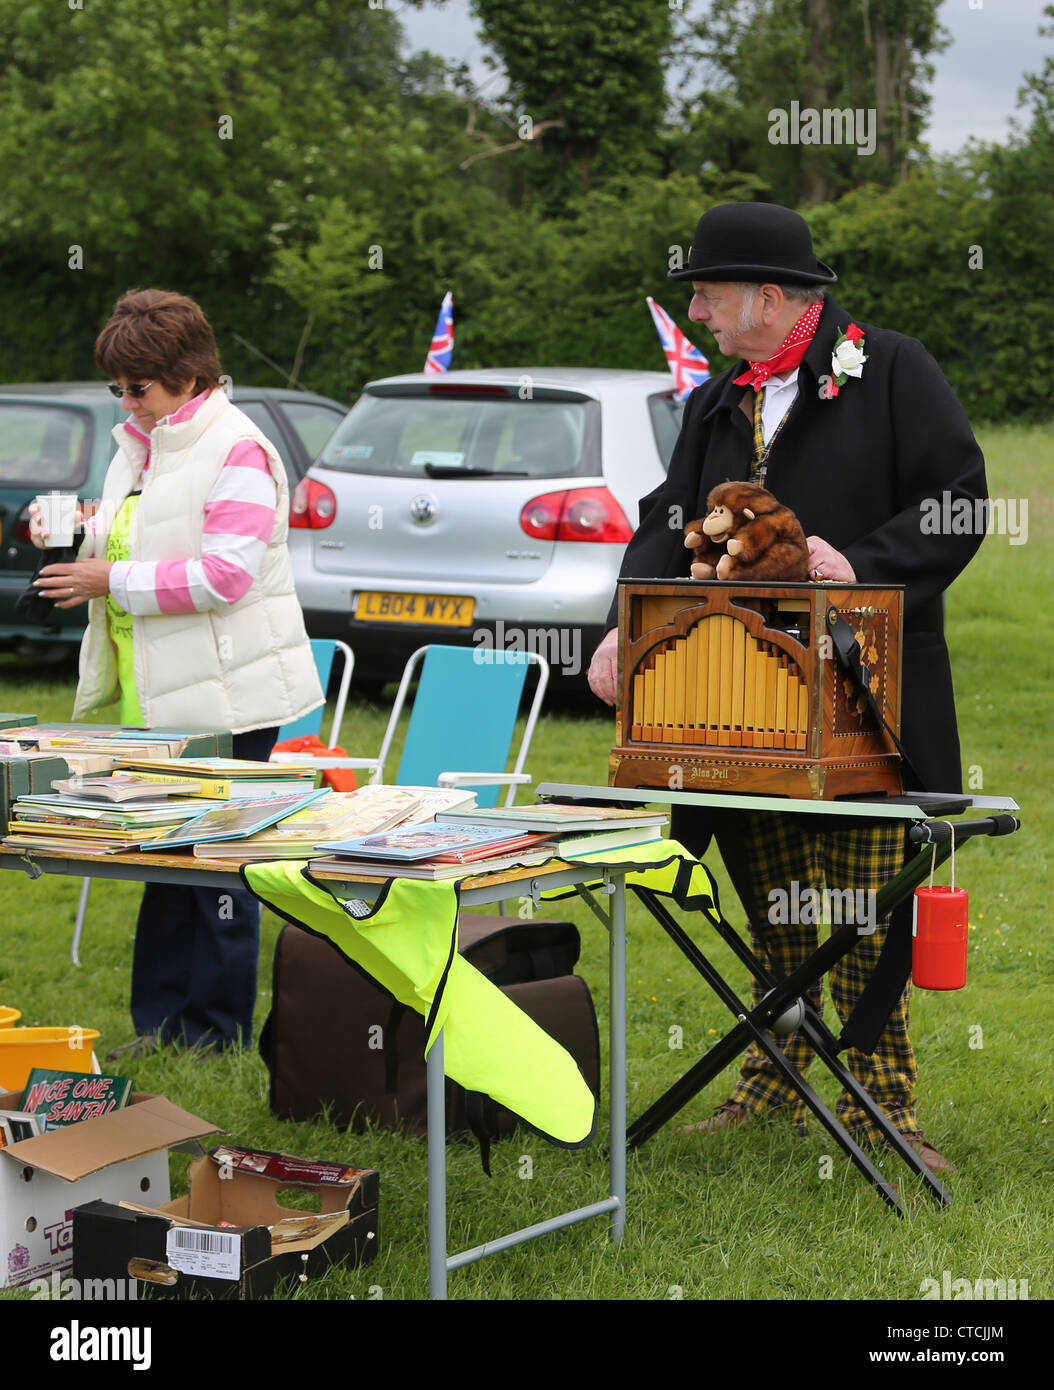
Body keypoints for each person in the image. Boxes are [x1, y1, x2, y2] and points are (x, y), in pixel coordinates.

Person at [588, 202, 988, 1171]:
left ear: (769, 296)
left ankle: (878, 1101)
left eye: (709, 293)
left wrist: (862, 561)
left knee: (854, 906)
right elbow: (663, 519)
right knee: (771, 898)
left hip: (861, 700)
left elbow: (959, 497)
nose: (697, 311)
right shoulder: (715, 400)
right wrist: (618, 624)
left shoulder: (890, 367)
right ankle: (773, 1077)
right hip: (734, 701)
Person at [31, 288, 324, 1058]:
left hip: (232, 697)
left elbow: (223, 576)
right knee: (158, 851)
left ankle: (216, 1032)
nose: (129, 401)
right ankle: (159, 1028)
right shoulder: (145, 439)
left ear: (191, 374)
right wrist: (74, 526)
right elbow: (138, 525)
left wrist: (108, 583)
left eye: (141, 387)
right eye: (119, 388)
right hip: (157, 691)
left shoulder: (239, 450)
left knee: (218, 865)